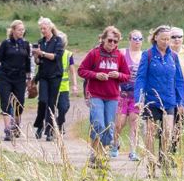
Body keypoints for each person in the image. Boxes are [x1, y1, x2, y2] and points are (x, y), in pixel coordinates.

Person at [133, 24, 184, 174]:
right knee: (150, 134)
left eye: (168, 39)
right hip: (151, 100)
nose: (165, 42)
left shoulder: (173, 57)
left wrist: (181, 101)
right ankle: (150, 166)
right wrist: (139, 98)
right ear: (155, 38)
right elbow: (141, 78)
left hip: (169, 100)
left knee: (167, 133)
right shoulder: (148, 55)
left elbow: (179, 81)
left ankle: (164, 160)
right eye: (163, 39)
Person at [77, 26, 131, 164]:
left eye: (115, 41)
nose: (112, 44)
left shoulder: (119, 56)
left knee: (109, 127)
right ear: (103, 39)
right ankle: (94, 153)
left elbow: (127, 76)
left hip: (112, 96)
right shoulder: (94, 54)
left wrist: (118, 75)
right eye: (110, 40)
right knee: (98, 124)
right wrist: (95, 75)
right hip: (96, 95)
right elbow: (81, 70)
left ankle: (101, 154)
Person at [0, 19, 33, 141]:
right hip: (5, 77)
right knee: (5, 103)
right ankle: (7, 130)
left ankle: (16, 125)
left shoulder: (26, 45)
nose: (22, 32)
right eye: (19, 30)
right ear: (13, 31)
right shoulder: (5, 44)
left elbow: (28, 64)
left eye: (23, 30)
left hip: (20, 78)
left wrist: (29, 79)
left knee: (19, 104)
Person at [31, 17, 67, 141]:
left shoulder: (58, 41)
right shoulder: (40, 42)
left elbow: (56, 57)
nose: (43, 30)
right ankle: (39, 125)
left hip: (55, 75)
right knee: (42, 101)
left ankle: (49, 130)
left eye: (44, 28)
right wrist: (36, 56)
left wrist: (42, 53)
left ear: (50, 27)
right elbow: (38, 62)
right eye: (41, 28)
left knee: (51, 103)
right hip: (44, 75)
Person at [114, 30, 145, 161]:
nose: (137, 41)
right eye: (135, 38)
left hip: (137, 94)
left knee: (134, 122)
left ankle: (133, 151)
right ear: (129, 39)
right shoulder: (122, 52)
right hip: (122, 93)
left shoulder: (145, 55)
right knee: (119, 123)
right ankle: (115, 145)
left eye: (140, 38)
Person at [56, 47, 78, 138]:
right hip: (52, 86)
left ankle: (59, 122)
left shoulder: (68, 54)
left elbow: (72, 71)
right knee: (51, 108)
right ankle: (50, 129)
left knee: (64, 107)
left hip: (64, 87)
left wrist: (75, 85)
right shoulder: (50, 52)